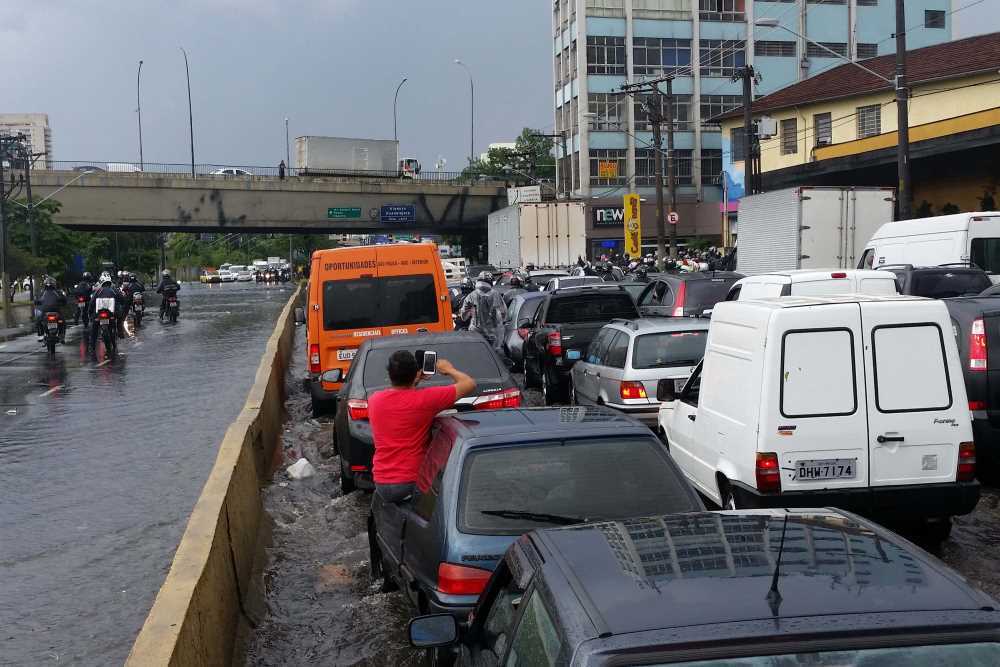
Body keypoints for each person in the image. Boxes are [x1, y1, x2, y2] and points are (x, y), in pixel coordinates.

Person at [368, 351, 475, 502]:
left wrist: (414, 379)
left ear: (389, 374)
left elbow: (402, 396)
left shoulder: (375, 400)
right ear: (415, 373)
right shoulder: (425, 400)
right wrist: (449, 369)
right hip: (411, 481)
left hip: (382, 483)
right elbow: (469, 383)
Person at [460, 271, 507, 351]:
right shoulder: (496, 295)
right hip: (492, 334)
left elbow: (463, 317)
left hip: (476, 334)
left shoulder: (471, 295)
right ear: (490, 282)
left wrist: (472, 312)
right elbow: (504, 314)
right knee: (494, 355)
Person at [89, 275, 122, 354]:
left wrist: (90, 313)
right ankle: (116, 340)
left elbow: (92, 303)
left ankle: (92, 347)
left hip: (99, 314)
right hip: (111, 314)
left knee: (94, 330)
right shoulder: (113, 290)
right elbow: (122, 299)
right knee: (116, 324)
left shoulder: (98, 291)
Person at [34, 277, 67, 343]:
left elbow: (36, 301)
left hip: (46, 311)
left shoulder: (42, 292)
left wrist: (38, 303)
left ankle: (41, 335)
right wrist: (63, 302)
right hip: (55, 310)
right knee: (62, 321)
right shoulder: (58, 292)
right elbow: (64, 300)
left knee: (39, 321)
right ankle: (61, 335)